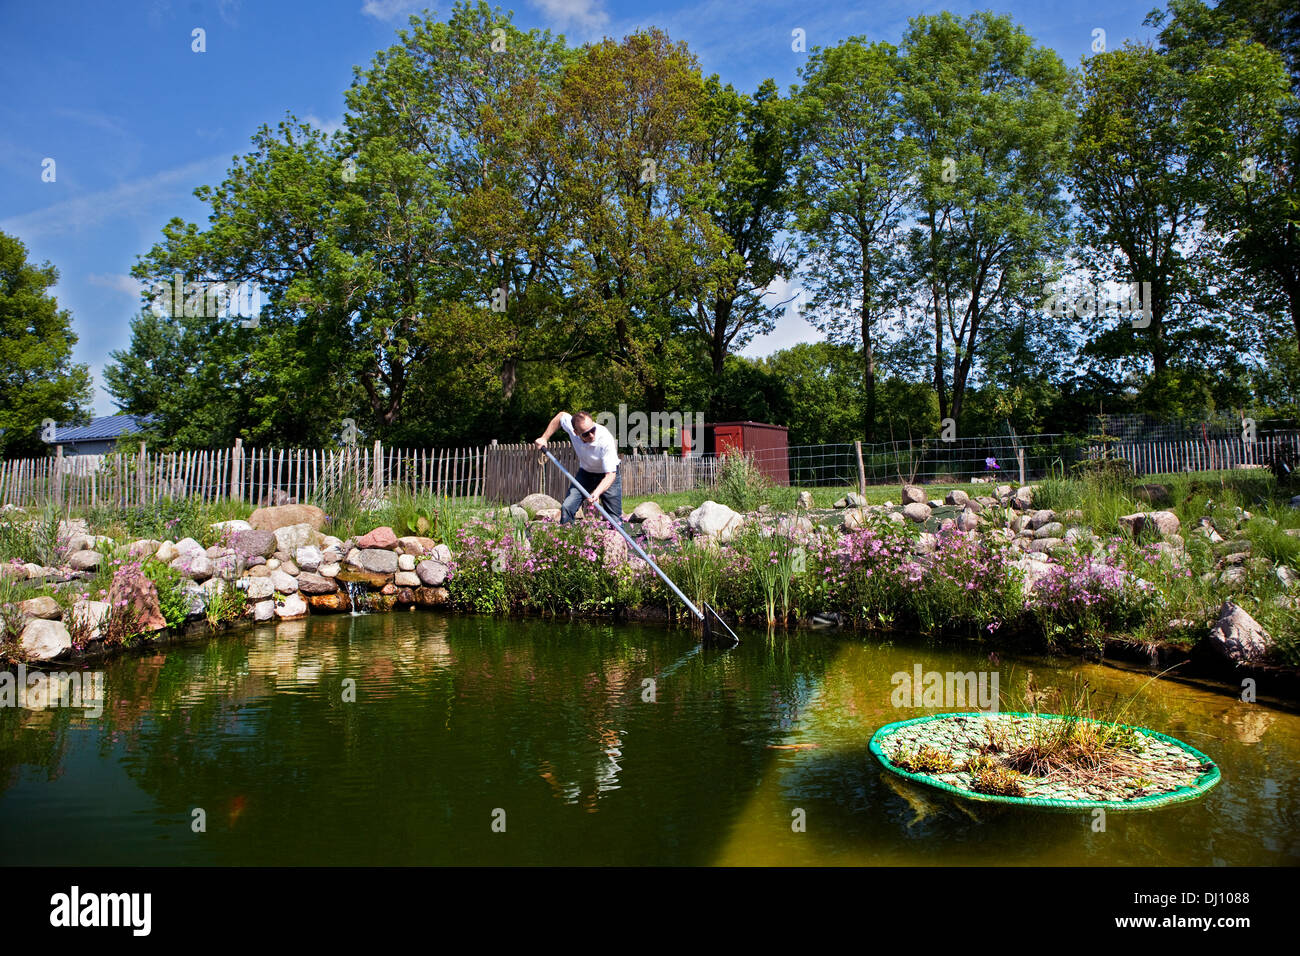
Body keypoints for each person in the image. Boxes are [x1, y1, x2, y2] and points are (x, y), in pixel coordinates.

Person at [533, 410, 622, 527]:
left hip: (608, 476)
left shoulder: (605, 440)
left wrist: (596, 493)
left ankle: (620, 543)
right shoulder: (572, 428)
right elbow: (561, 416)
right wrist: (544, 438)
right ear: (576, 432)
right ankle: (567, 541)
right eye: (585, 434)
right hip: (586, 474)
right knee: (567, 507)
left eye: (593, 430)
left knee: (614, 518)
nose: (591, 435)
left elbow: (610, 475)